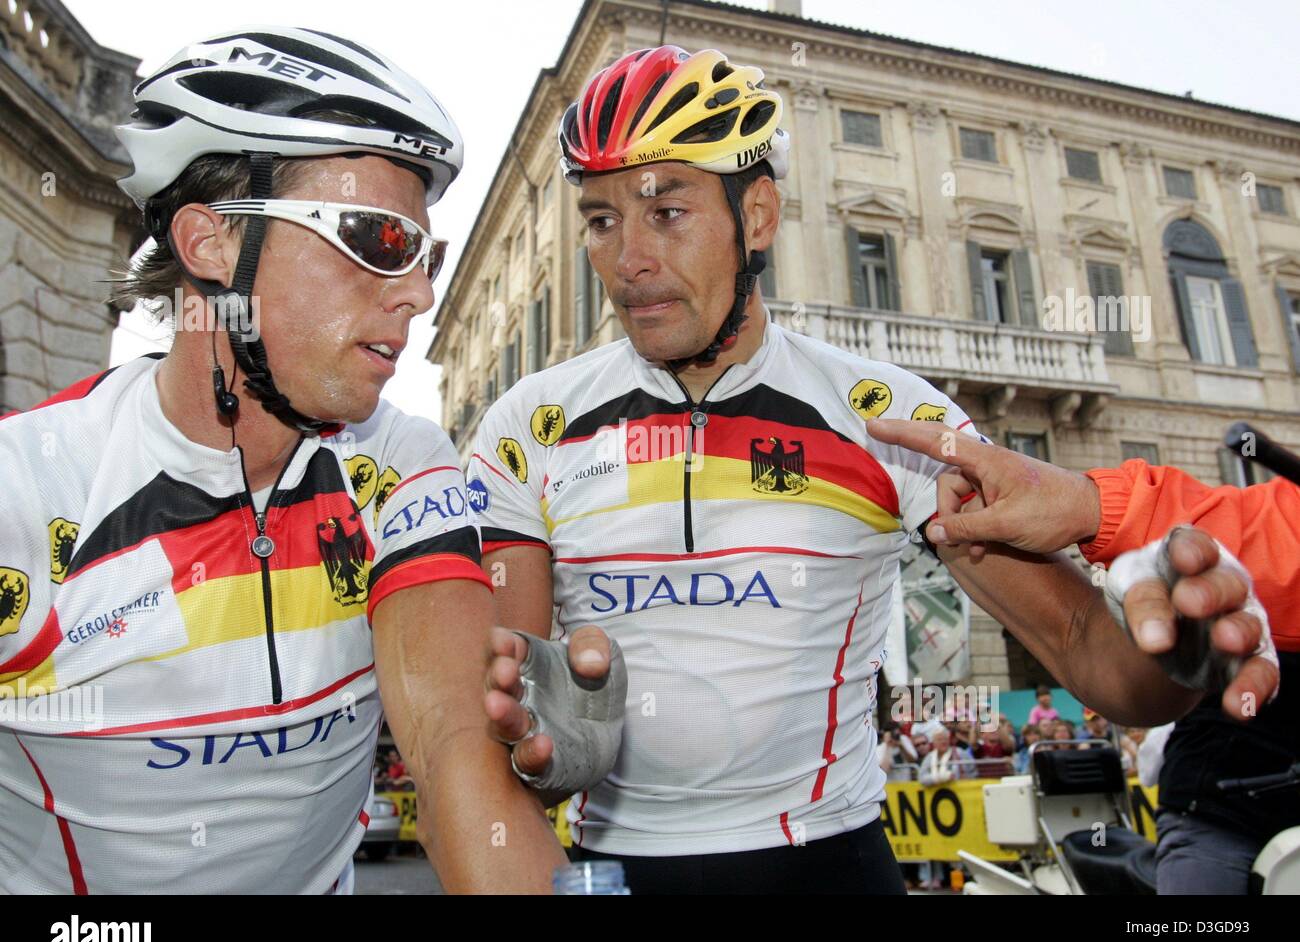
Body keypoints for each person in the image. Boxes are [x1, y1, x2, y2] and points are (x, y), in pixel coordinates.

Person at [474, 43, 1269, 895]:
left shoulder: (892, 420)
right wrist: (543, 751)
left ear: (762, 216)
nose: (627, 259)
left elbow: (1084, 649)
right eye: (600, 219)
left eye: (666, 212)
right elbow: (504, 700)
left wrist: (1176, 653)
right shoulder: (531, 425)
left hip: (829, 864)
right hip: (609, 866)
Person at [0, 26, 613, 894]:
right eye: (380, 238)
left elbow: (449, 755)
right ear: (211, 243)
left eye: (425, 255)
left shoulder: (397, 459)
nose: (421, 294)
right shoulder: (28, 489)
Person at [865, 419, 1296, 893]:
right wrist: (1099, 511)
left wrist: (1096, 509)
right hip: (1224, 819)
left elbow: (1084, 636)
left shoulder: (909, 418)